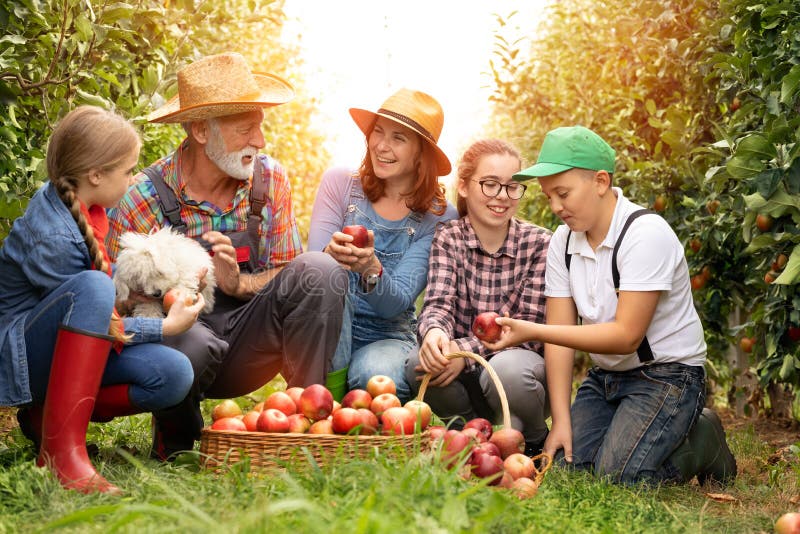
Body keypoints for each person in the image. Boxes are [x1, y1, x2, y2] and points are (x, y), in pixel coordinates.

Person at [105, 53, 346, 460]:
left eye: (260, 128)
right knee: (190, 342)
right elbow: (113, 305)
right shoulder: (142, 198)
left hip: (249, 340)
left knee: (320, 270)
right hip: (182, 345)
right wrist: (169, 296)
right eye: (245, 129)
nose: (261, 141)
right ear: (201, 130)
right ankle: (178, 440)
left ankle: (304, 423)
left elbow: (291, 270)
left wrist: (239, 283)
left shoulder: (269, 181)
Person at [485, 125, 737, 485]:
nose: (555, 207)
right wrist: (562, 422)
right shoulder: (563, 242)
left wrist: (530, 330)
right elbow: (560, 337)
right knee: (565, 473)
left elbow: (626, 337)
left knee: (618, 477)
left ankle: (704, 439)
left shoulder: (644, 234)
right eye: (548, 196)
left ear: (600, 182)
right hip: (607, 378)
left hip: (667, 374)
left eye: (563, 193)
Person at [0, 106, 199, 494]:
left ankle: (47, 419)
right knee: (94, 286)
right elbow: (97, 316)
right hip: (23, 356)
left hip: (64, 350)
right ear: (95, 175)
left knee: (174, 374)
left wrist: (140, 297)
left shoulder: (83, 207)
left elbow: (91, 322)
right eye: (127, 171)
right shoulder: (55, 236)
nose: (133, 179)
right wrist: (165, 326)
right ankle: (62, 453)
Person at [308, 88, 457, 403]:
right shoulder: (340, 184)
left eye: (398, 138)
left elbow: (398, 302)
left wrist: (369, 267)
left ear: (421, 153)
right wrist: (329, 255)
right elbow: (311, 271)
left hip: (387, 334)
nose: (381, 146)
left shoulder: (438, 217)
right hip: (330, 324)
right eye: (377, 132)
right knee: (324, 271)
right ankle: (331, 406)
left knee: (371, 376)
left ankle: (341, 396)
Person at [404, 139, 551, 455]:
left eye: (513, 187)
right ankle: (469, 436)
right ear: (465, 187)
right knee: (420, 363)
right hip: (464, 376)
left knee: (507, 369)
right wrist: (435, 335)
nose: (502, 196)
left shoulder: (539, 244)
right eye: (490, 184)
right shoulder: (448, 237)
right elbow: (439, 303)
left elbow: (525, 326)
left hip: (517, 371)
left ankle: (536, 439)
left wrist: (463, 349)